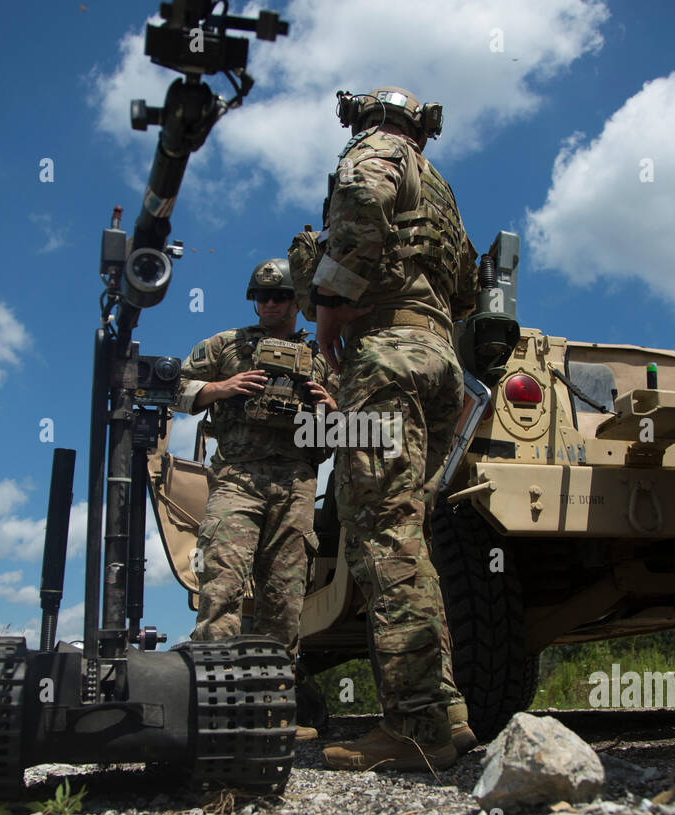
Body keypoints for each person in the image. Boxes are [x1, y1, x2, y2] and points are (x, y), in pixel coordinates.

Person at [302, 87, 479, 771]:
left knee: (381, 534)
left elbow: (362, 204)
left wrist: (330, 311)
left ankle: (417, 727)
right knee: (408, 532)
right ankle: (446, 715)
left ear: (370, 118)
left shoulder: (374, 152)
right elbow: (465, 284)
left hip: (385, 358)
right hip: (438, 360)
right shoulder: (439, 186)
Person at [174, 258, 336, 739]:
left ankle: (270, 713)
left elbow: (351, 426)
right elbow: (170, 387)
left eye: (281, 296)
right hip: (237, 478)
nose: (270, 305)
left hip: (296, 483)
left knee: (283, 600)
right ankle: (211, 707)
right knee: (221, 580)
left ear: (297, 302)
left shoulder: (323, 356)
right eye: (262, 297)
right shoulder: (224, 345)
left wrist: (331, 407)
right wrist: (219, 388)